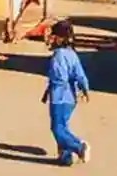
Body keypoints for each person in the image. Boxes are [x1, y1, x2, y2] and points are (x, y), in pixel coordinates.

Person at [41, 20, 90, 166]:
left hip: (59, 98)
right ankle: (66, 156)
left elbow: (57, 78)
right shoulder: (72, 54)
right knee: (64, 126)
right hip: (70, 99)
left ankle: (79, 147)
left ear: (60, 39)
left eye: (53, 36)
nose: (50, 39)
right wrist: (85, 89)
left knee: (57, 128)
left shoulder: (58, 56)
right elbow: (80, 75)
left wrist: (51, 91)